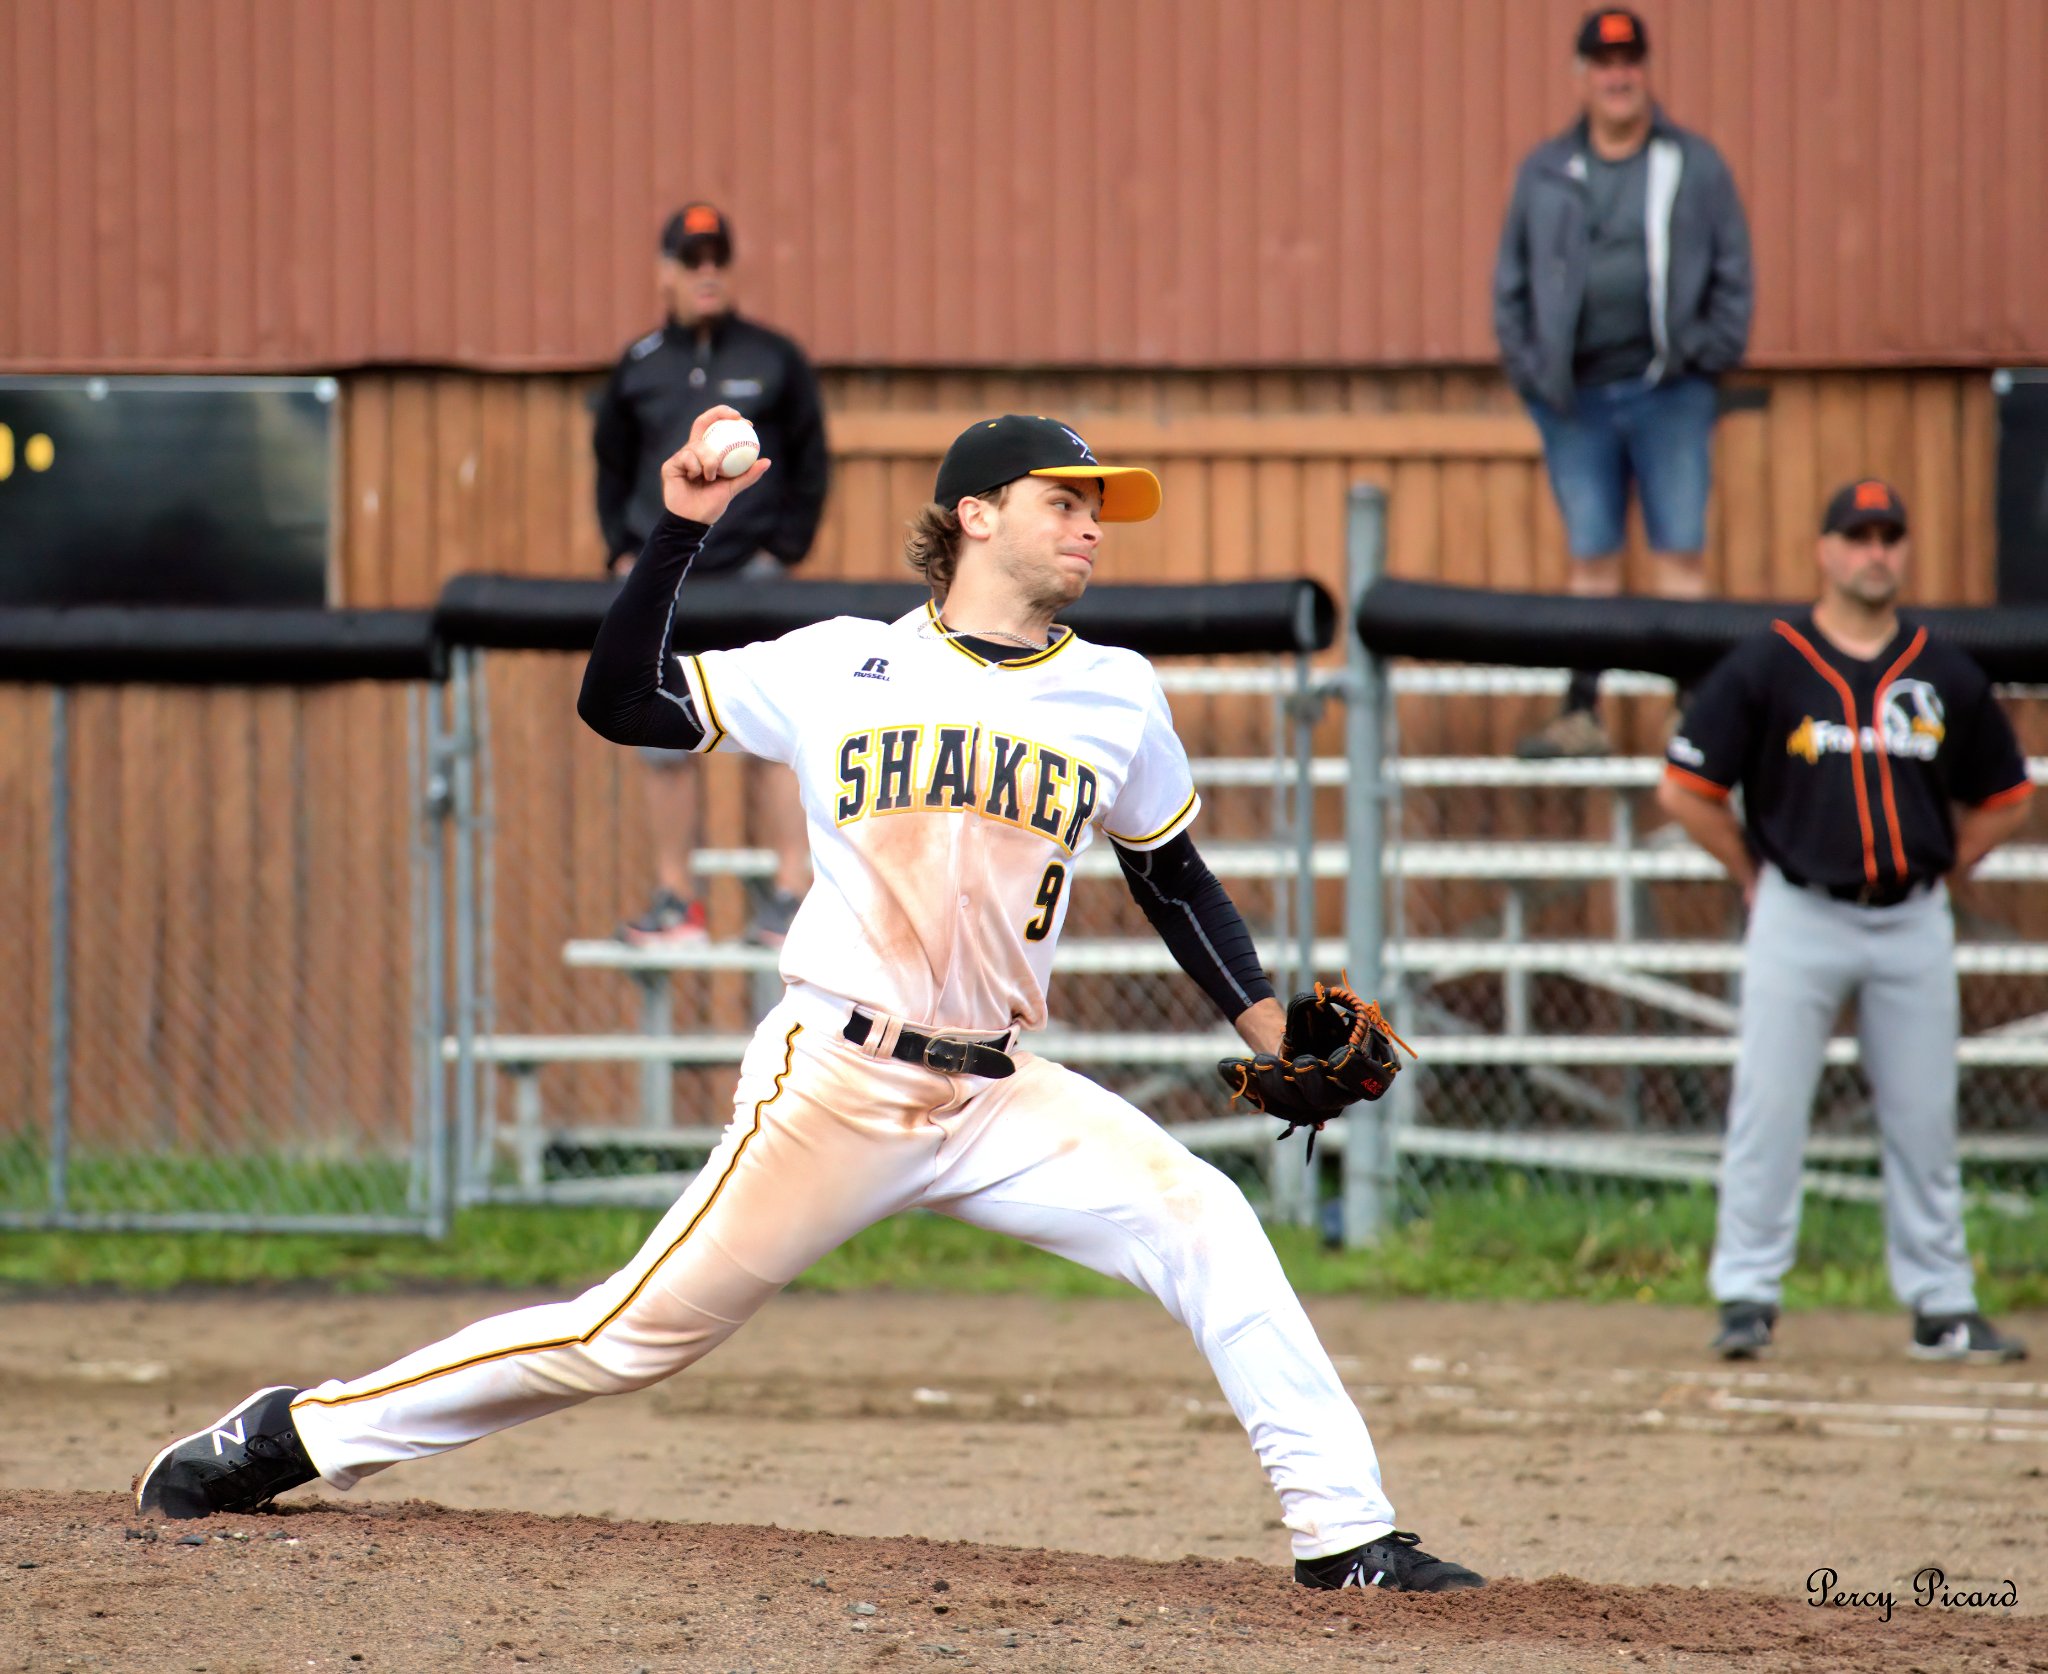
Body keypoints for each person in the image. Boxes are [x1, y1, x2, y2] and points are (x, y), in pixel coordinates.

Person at [132, 411, 1485, 1595]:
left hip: (999, 1091)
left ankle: (1345, 1537)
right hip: (837, 1076)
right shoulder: (840, 661)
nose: (1091, 526)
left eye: (1098, 508)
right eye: (1064, 500)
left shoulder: (1115, 691)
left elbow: (1169, 873)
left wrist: (1264, 1026)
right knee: (625, 1336)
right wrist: (679, 528)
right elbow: (623, 702)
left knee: (1209, 1220)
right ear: (975, 514)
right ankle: (297, 1432)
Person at [1658, 478, 2032, 1365]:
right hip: (1800, 910)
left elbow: (2007, 795)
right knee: (1770, 1109)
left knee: (1923, 1120)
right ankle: (1747, 1296)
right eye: (1858, 535)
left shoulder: (1942, 670)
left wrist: (1943, 866)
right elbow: (1684, 789)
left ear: (1905, 550)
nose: (1875, 551)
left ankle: (1942, 1304)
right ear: (1825, 550)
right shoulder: (1771, 662)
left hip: (1911, 918)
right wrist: (1751, 873)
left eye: (1889, 536)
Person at [1494, 6, 1753, 759]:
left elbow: (1733, 272)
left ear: (1647, 71)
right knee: (1592, 559)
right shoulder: (1546, 172)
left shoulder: (1693, 165)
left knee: (1680, 555)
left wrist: (1707, 355)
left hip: (1672, 394)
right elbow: (1510, 285)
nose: (1619, 76)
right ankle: (1583, 713)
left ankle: (1692, 717)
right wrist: (1534, 374)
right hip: (1574, 401)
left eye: (1630, 61)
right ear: (1581, 77)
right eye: (1604, 64)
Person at [594, 203, 829, 946]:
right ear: (664, 272)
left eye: (717, 259)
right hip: (670, 577)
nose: (706, 273)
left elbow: (812, 460)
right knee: (660, 735)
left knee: (775, 734)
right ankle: (678, 902)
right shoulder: (638, 365)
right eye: (690, 259)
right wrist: (623, 552)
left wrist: (783, 550)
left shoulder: (775, 357)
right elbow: (609, 466)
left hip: (753, 580)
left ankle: (789, 895)